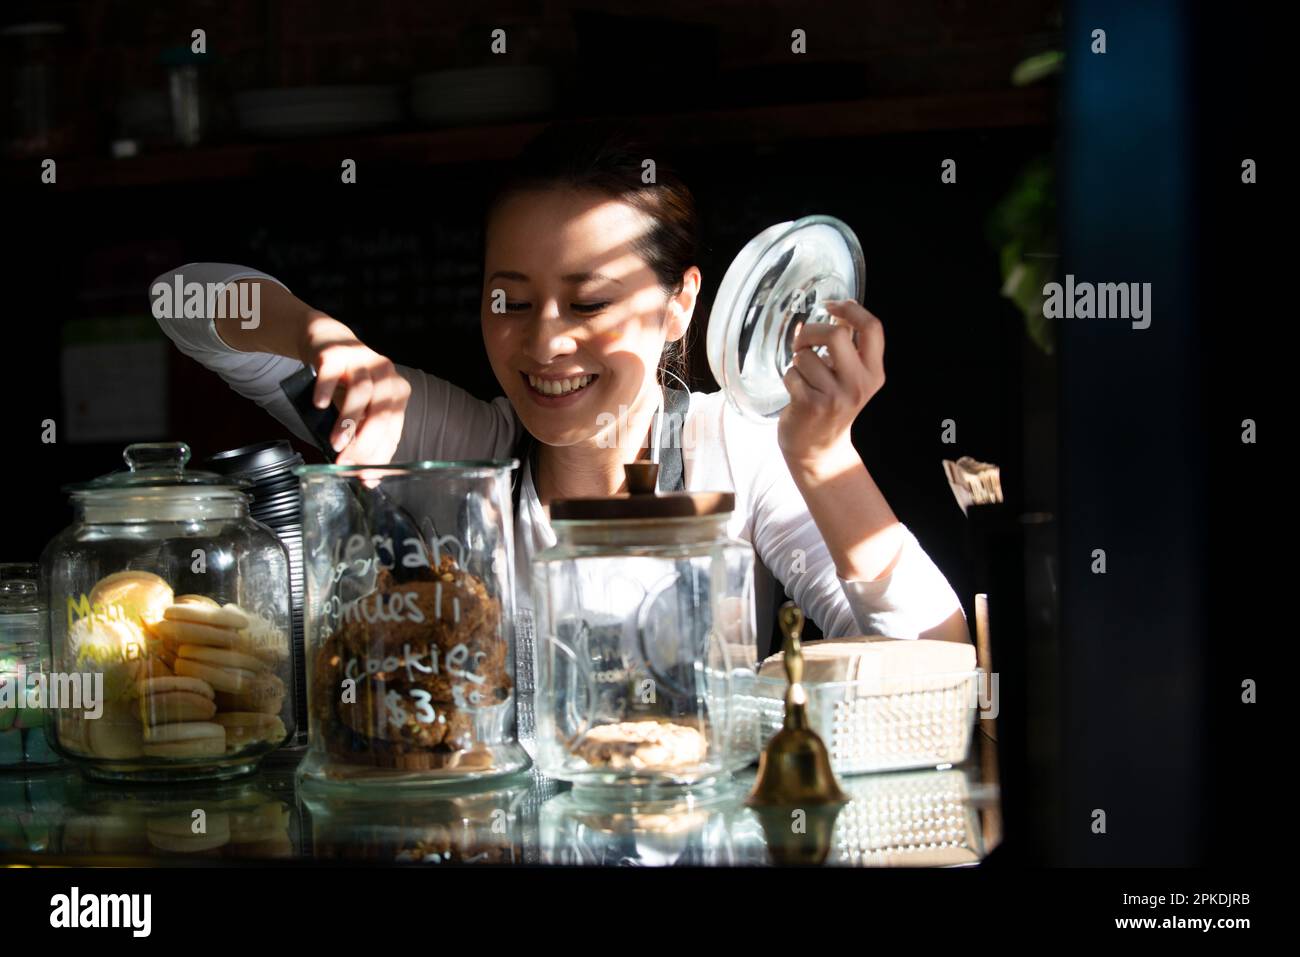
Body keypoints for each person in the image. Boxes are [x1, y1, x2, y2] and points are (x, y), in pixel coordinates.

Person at [151, 124, 969, 648]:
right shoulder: (463, 448)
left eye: (589, 301)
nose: (545, 339)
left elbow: (937, 653)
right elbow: (180, 299)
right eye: (510, 299)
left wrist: (824, 458)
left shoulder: (735, 451)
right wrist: (315, 335)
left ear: (680, 302)